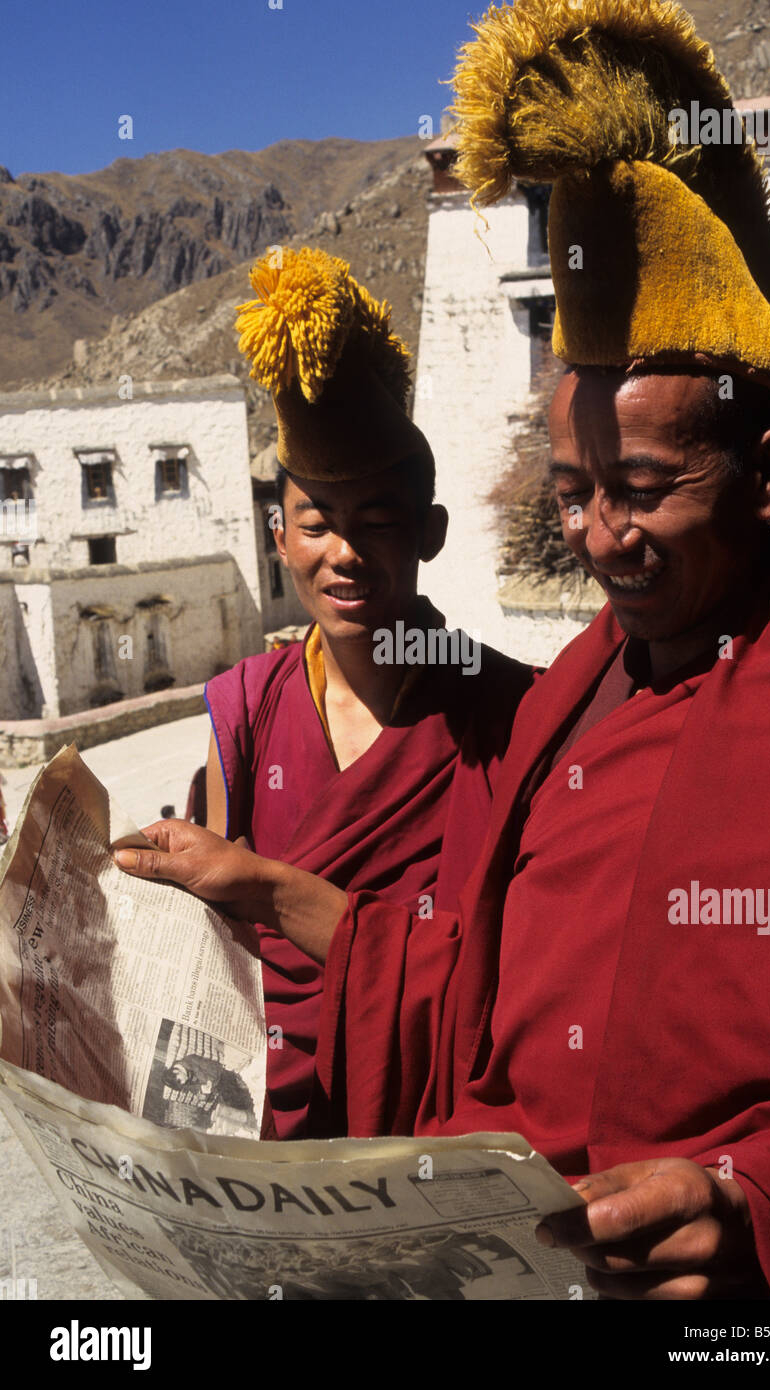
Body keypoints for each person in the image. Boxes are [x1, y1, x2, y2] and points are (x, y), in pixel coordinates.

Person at [116, 0, 770, 1299]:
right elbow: (469, 988)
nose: (598, 537)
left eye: (642, 487)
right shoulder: (571, 704)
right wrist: (257, 887)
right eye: (571, 492)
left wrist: (760, 1198)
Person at [162, 246, 533, 1140]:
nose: (344, 554)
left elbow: (516, 970)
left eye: (377, 522)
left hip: (428, 1122)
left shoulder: (507, 712)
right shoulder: (246, 711)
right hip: (267, 1132)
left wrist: (280, 893)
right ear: (279, 537)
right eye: (317, 523)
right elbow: (205, 952)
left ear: (429, 533)